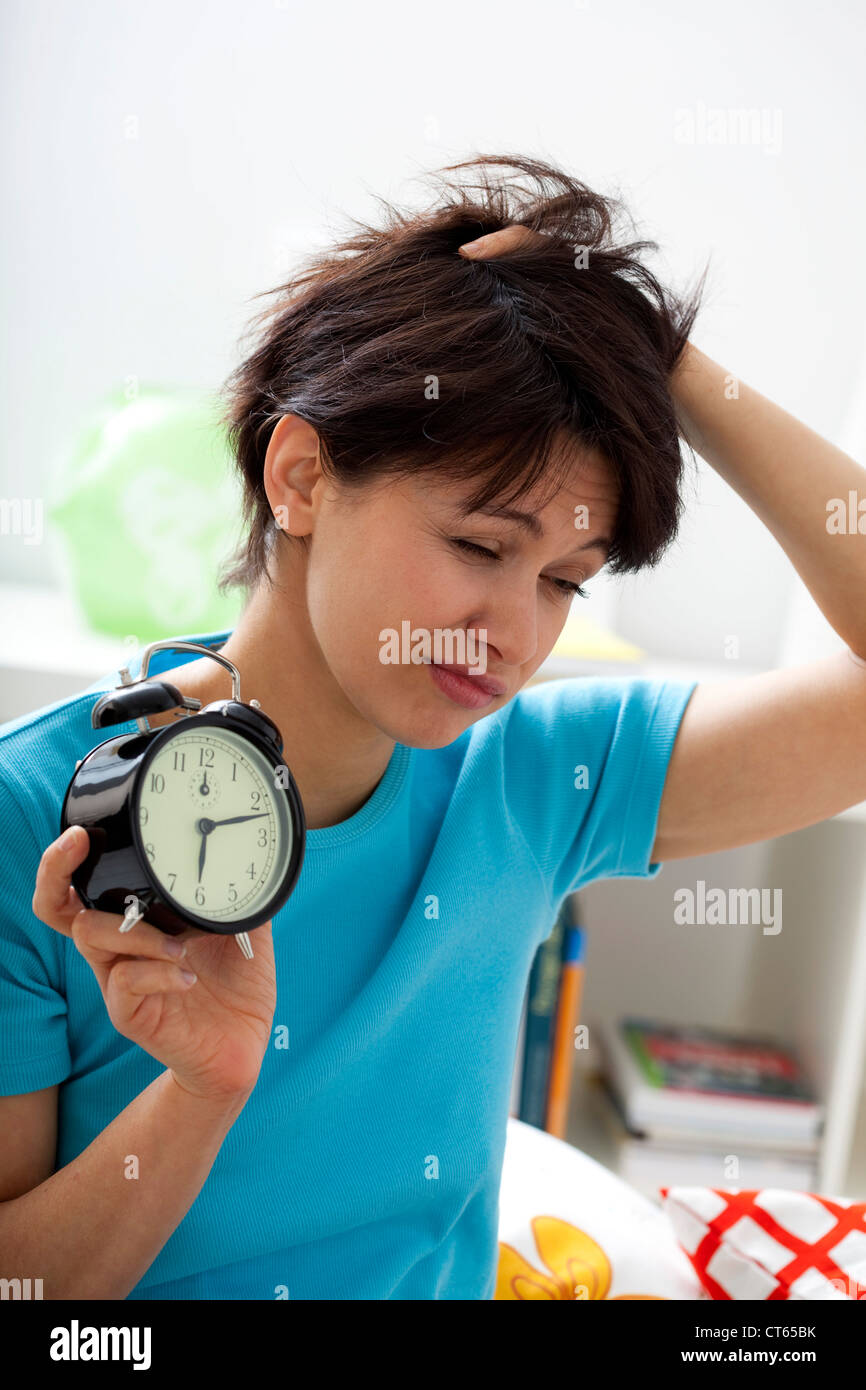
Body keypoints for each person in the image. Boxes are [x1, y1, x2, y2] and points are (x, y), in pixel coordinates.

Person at [1, 155, 864, 1301]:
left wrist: (657, 355)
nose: (509, 631)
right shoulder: (41, 815)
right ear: (300, 475)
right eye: (477, 547)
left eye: (564, 580)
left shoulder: (536, 777)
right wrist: (203, 1092)